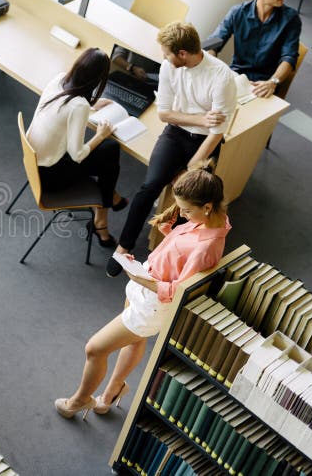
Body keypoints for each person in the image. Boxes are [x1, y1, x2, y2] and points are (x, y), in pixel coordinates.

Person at [55, 164, 231, 419]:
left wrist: (139, 277)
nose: (182, 213)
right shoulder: (214, 218)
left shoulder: (207, 247)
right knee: (135, 340)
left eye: (186, 210)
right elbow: (181, 251)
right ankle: (112, 391)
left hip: (153, 300)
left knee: (95, 349)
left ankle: (80, 401)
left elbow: (176, 291)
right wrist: (171, 230)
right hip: (146, 281)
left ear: (206, 206)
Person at [105, 22, 236, 277]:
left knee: (191, 198)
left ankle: (170, 250)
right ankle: (123, 247)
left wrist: (191, 168)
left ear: (183, 54)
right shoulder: (168, 67)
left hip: (206, 141)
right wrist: (199, 119)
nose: (163, 57)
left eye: (167, 53)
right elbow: (165, 114)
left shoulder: (221, 77)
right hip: (176, 133)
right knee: (150, 186)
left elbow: (217, 131)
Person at [27, 48, 128, 247]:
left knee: (108, 155)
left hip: (34, 163)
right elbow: (77, 155)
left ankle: (107, 209)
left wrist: (92, 105)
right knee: (110, 150)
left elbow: (64, 108)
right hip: (50, 179)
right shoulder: (79, 105)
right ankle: (103, 217)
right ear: (98, 79)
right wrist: (100, 135)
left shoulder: (59, 80)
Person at [207, 0, 302, 98]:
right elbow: (214, 42)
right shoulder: (238, 12)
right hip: (237, 75)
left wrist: (272, 82)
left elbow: (289, 58)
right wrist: (213, 68)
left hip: (266, 81)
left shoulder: (291, 18)